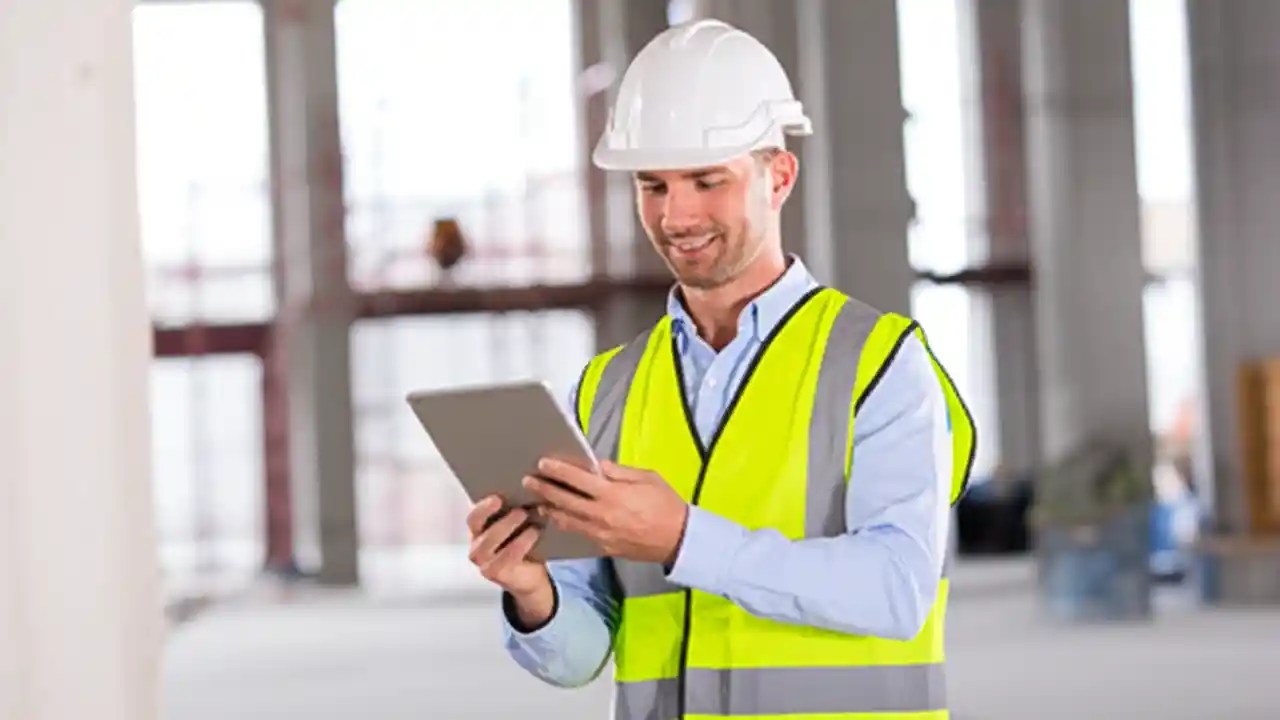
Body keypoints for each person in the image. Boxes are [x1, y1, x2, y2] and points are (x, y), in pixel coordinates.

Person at [465, 18, 975, 720]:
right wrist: (532, 593)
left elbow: (897, 589)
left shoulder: (880, 363)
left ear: (779, 176)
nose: (677, 216)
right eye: (654, 186)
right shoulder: (608, 388)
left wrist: (683, 539)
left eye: (708, 181)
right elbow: (580, 657)